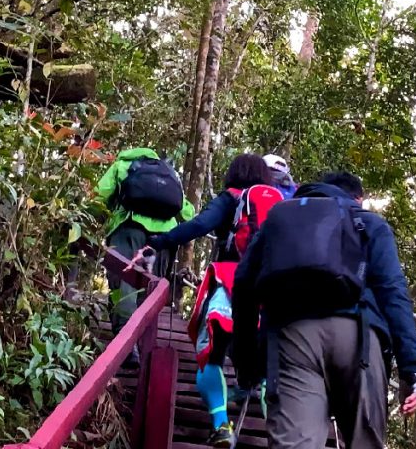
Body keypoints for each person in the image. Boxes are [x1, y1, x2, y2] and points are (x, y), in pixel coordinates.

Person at [232, 171, 416, 449]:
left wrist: (246, 362)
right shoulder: (367, 221)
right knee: (364, 443)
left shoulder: (278, 221)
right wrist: (411, 367)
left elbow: (243, 283)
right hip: (359, 337)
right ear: (357, 198)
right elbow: (392, 290)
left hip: (292, 336)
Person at [136, 153, 284, 447]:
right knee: (268, 370)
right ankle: (280, 436)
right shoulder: (281, 205)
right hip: (272, 293)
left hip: (230, 284)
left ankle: (221, 425)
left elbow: (200, 224)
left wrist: (158, 242)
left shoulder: (231, 198)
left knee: (210, 354)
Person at [94, 147, 194, 362]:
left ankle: (126, 346)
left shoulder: (123, 165)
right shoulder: (169, 172)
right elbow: (187, 212)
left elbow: (100, 195)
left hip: (128, 229)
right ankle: (142, 343)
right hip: (164, 238)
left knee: (124, 284)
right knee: (149, 290)